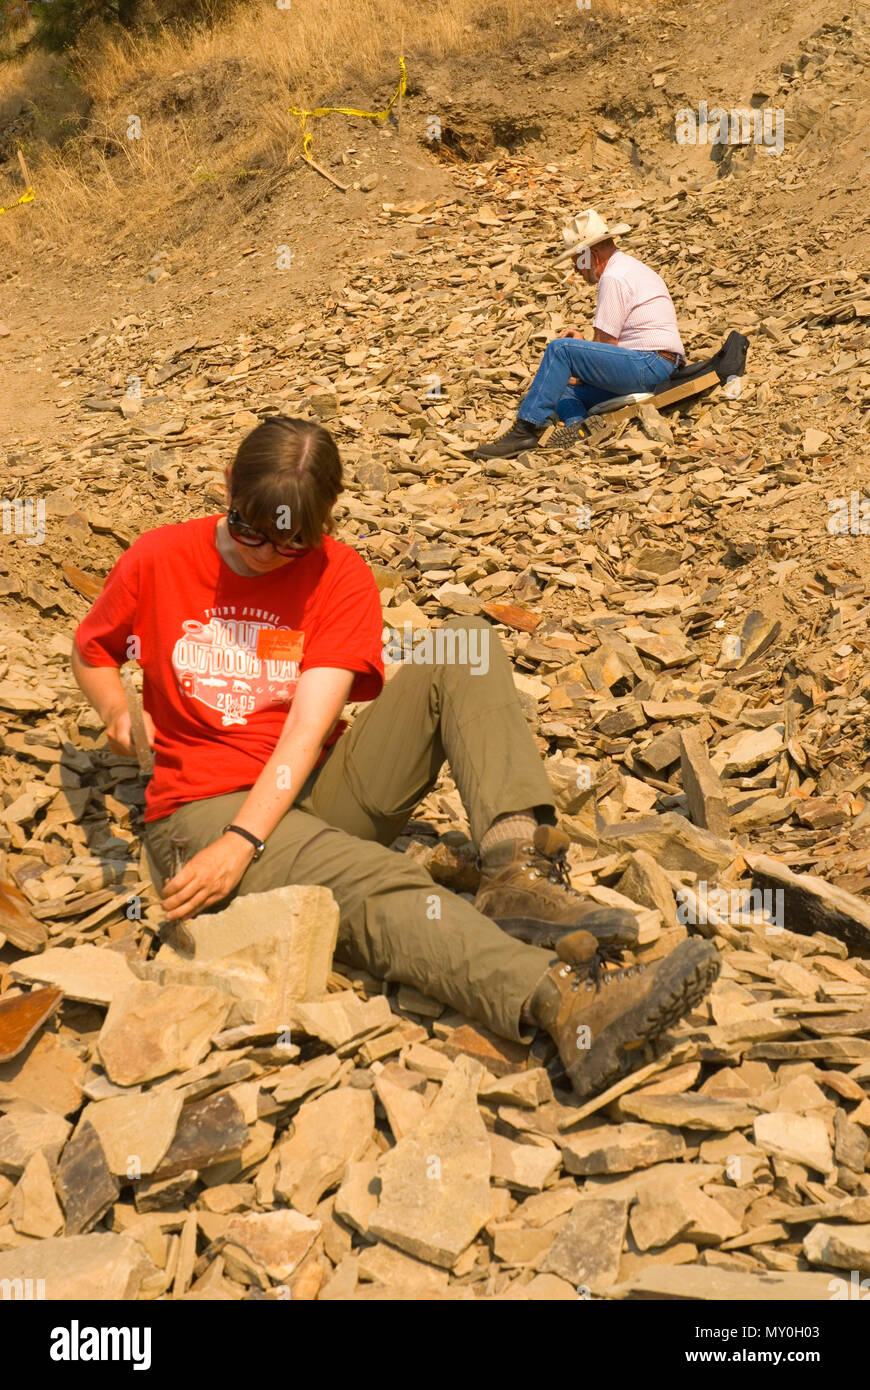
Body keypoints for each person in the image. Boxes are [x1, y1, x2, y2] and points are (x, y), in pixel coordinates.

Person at [71, 416, 719, 1099]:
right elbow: (92, 650)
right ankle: (566, 1005)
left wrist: (248, 840)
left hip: (310, 791)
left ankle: (516, 870)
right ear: (227, 485)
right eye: (249, 530)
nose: (265, 553)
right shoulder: (159, 557)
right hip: (205, 813)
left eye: (292, 542)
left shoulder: (337, 574)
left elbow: (303, 733)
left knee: (465, 647)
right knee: (377, 880)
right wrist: (118, 711)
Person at [474, 208, 686, 459]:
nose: (576, 270)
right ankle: (580, 430)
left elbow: (608, 343)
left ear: (591, 255)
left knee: (560, 349)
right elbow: (609, 348)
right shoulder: (629, 268)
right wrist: (582, 357)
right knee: (561, 389)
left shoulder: (615, 277)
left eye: (577, 262)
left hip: (649, 364)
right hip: (653, 364)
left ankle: (525, 430)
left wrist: (579, 364)